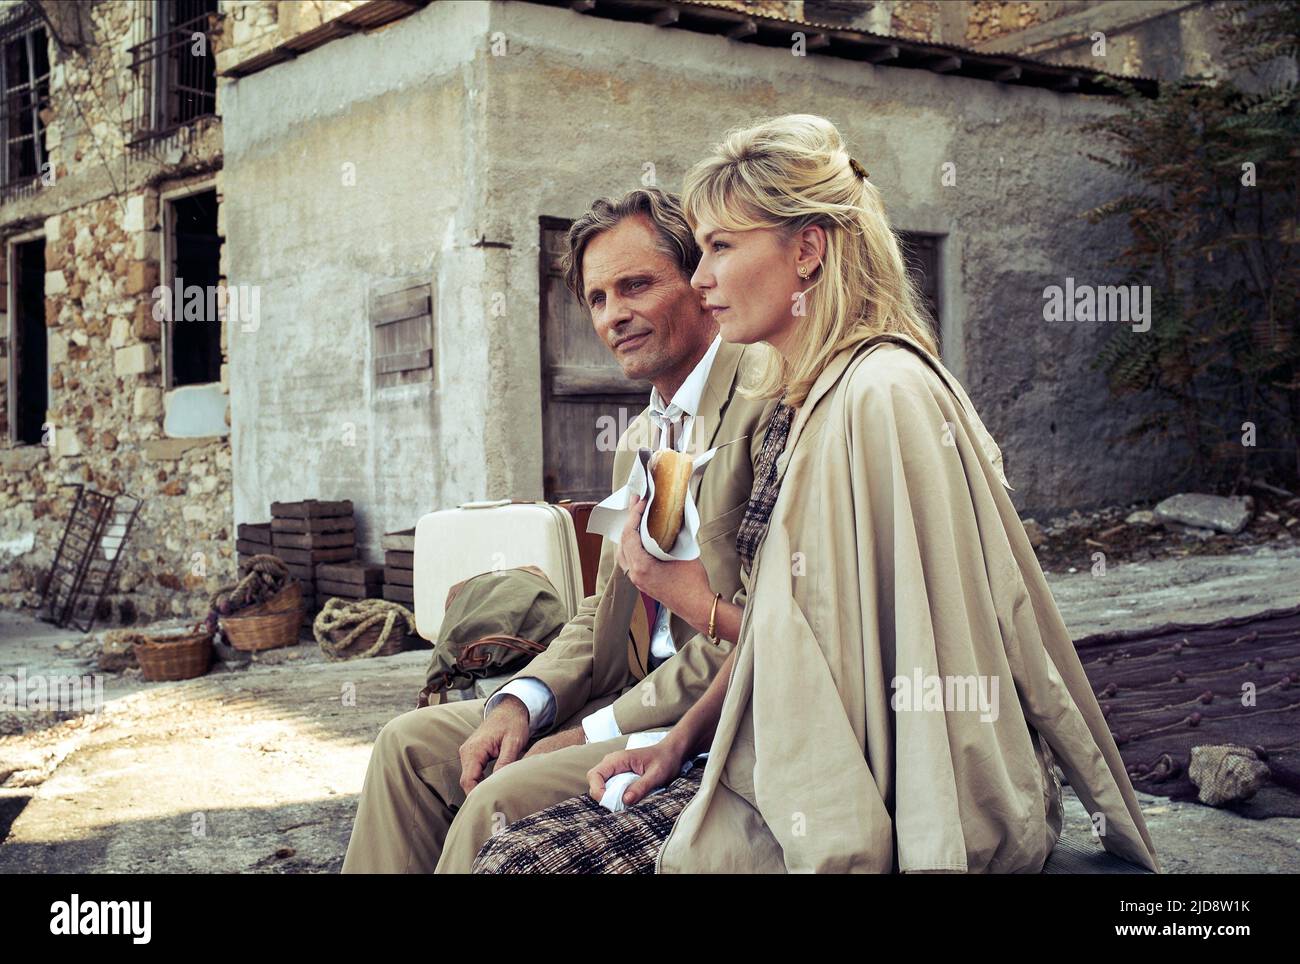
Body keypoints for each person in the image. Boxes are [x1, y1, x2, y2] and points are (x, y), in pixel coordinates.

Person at [472, 114, 1163, 874]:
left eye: (721, 248)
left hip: (861, 781)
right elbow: (785, 629)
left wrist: (680, 608)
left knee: (519, 862)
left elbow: (923, 664)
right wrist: (679, 741)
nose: (702, 280)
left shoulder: (882, 394)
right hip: (766, 743)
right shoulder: (804, 402)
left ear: (807, 250)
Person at [340, 187, 773, 873]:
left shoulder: (763, 409)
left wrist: (583, 734)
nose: (613, 316)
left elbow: (758, 631)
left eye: (636, 286)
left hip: (703, 717)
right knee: (407, 747)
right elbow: (607, 608)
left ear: (698, 283)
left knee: (497, 801)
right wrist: (522, 701)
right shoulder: (641, 439)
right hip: (619, 689)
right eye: (597, 298)